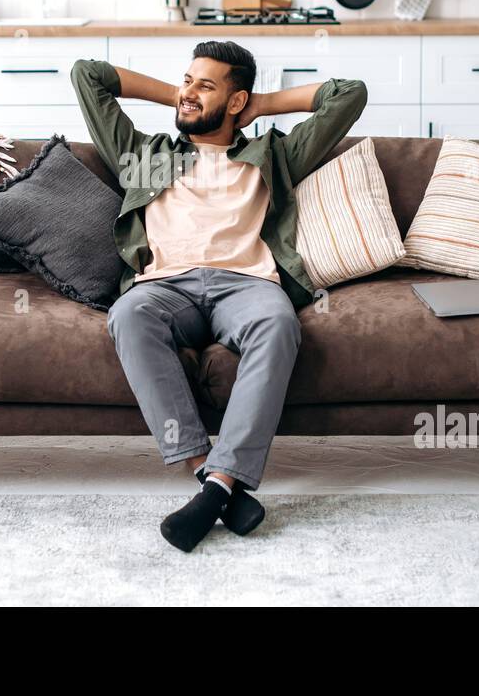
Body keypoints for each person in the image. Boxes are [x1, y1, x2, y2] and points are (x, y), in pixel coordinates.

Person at [71, 40, 367, 552]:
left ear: (236, 102)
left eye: (204, 85)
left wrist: (260, 105)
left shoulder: (273, 153)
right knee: (128, 316)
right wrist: (183, 97)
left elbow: (348, 94)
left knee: (279, 324)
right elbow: (86, 74)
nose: (188, 92)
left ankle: (218, 485)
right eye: (186, 79)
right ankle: (211, 477)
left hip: (246, 285)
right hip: (164, 286)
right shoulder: (146, 156)